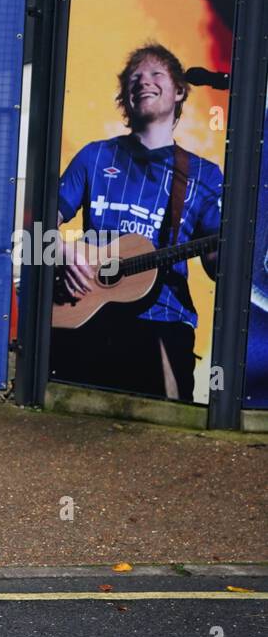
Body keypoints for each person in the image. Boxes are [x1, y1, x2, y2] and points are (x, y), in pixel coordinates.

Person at [52, 43, 222, 402]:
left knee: (168, 428)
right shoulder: (95, 156)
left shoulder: (203, 175)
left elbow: (216, 266)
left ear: (179, 91)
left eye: (156, 73)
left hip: (162, 322)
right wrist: (63, 252)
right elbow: (34, 223)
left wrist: (233, 252)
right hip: (85, 315)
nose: (144, 81)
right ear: (125, 98)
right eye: (134, 77)